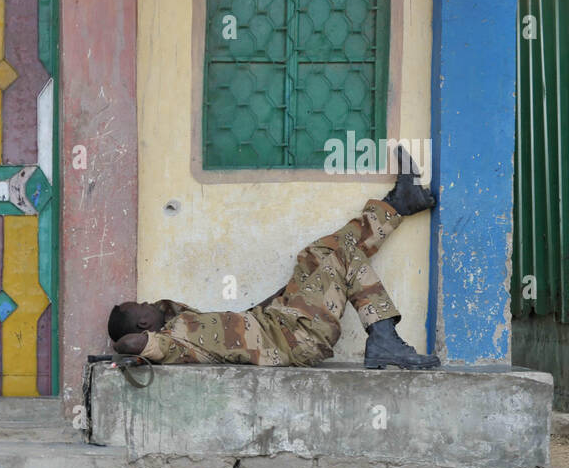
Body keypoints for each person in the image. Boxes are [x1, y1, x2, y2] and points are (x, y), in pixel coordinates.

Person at [107, 148, 441, 369]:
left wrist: (298, 286)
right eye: (139, 304)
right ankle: (384, 339)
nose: (147, 302)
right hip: (297, 340)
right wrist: (126, 350)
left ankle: (397, 205)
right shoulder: (170, 342)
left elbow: (254, 321)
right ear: (142, 323)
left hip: (283, 320)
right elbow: (129, 343)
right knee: (345, 256)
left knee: (317, 255)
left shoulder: (180, 322)